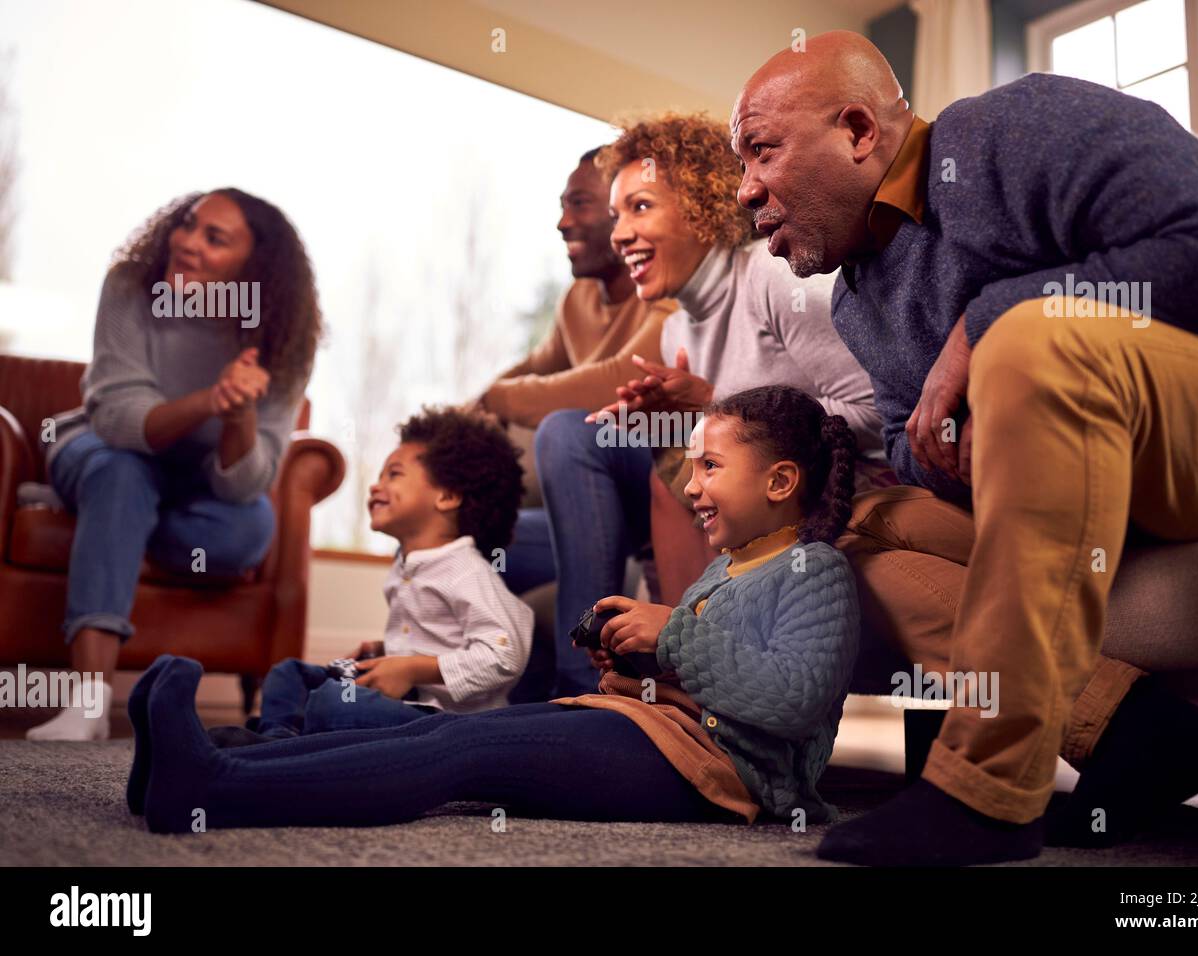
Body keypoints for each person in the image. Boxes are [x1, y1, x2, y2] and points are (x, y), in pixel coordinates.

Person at [729, 31, 1198, 865]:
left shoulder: (1012, 130)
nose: (745, 192)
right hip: (1093, 485)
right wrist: (943, 450)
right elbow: (903, 434)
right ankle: (1136, 728)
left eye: (760, 151)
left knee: (1037, 341)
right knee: (845, 534)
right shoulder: (858, 300)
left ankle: (984, 791)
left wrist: (987, 321)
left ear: (857, 130)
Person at [124, 386, 861, 833]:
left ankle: (211, 789)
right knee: (476, 731)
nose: (690, 484)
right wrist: (630, 664)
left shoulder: (816, 572)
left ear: (780, 480)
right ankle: (215, 755)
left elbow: (790, 700)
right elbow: (703, 678)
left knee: (461, 754)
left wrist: (671, 632)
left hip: (718, 775)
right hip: (653, 728)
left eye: (710, 466)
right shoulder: (725, 571)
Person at [526, 113, 883, 699]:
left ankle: (641, 677)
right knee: (584, 434)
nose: (619, 235)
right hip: (735, 501)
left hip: (823, 492)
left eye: (640, 208)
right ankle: (608, 678)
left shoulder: (775, 280)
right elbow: (718, 449)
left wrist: (711, 406)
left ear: (701, 202)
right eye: (616, 216)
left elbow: (877, 416)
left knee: (658, 445)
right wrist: (662, 421)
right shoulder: (675, 335)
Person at [28, 189, 321, 742]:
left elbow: (245, 484)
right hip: (101, 447)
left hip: (192, 484)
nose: (186, 242)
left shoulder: (285, 338)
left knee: (250, 526)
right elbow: (118, 419)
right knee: (120, 476)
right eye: (189, 225)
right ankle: (88, 703)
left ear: (254, 267)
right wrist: (210, 400)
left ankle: (111, 522)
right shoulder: (130, 286)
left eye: (214, 239)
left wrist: (240, 415)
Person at [218, 406, 532, 744]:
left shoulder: (467, 570)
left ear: (447, 496)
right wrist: (386, 649)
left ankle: (274, 746)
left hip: (444, 723)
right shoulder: (406, 567)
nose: (375, 487)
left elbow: (505, 654)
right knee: (287, 674)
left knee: (334, 703)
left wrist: (411, 668)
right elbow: (442, 635)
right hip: (405, 705)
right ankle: (277, 742)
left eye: (393, 474)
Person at [475, 148, 679, 602]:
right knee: (465, 539)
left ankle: (578, 675)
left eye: (579, 203)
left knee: (569, 431)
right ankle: (420, 661)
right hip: (593, 505)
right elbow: (533, 368)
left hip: (656, 476)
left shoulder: (668, 282)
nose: (563, 222)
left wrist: (500, 400)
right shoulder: (578, 298)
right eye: (563, 205)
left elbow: (620, 378)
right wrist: (463, 417)